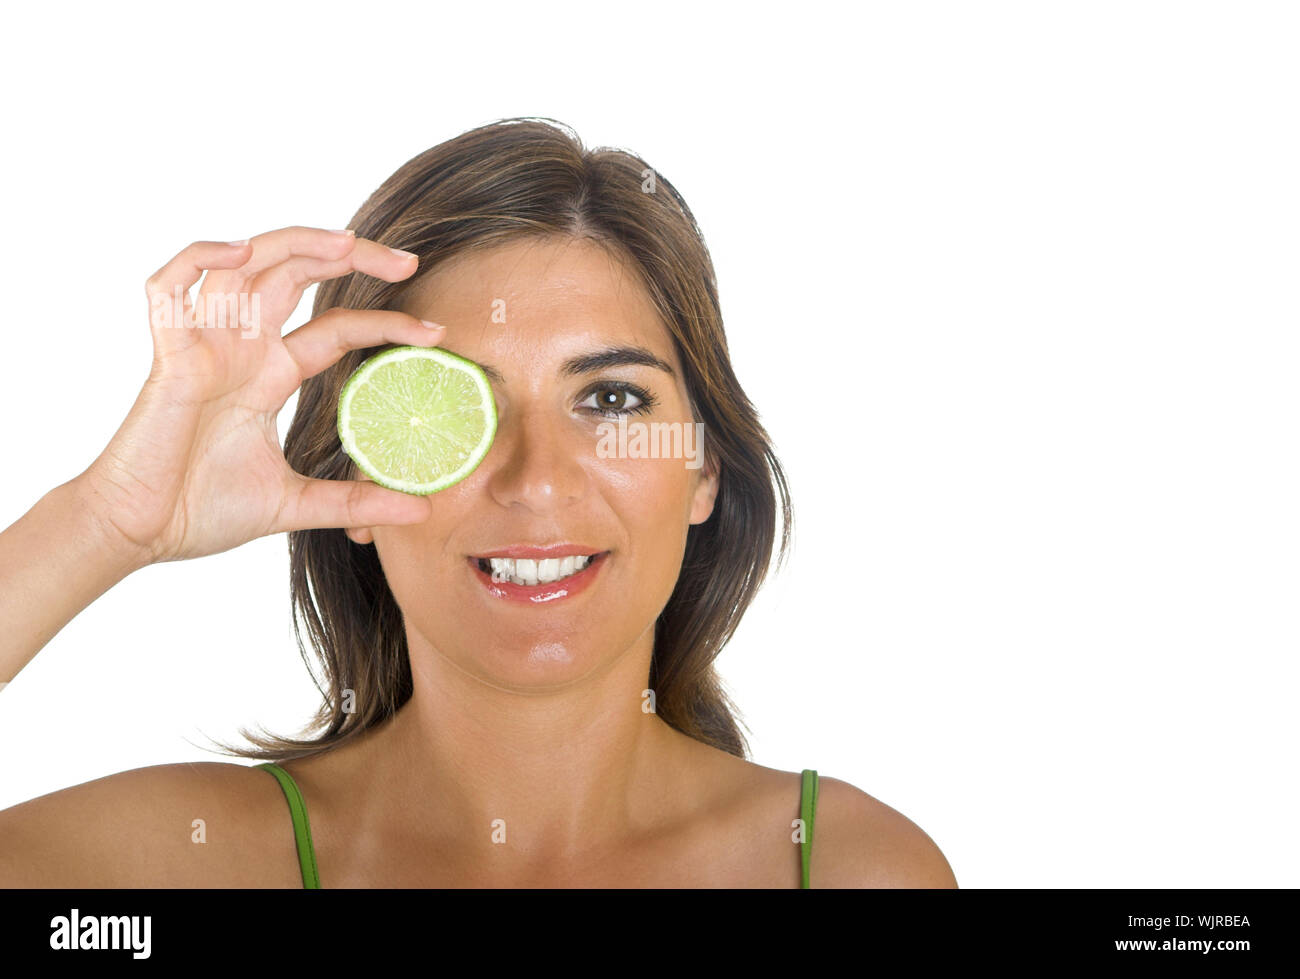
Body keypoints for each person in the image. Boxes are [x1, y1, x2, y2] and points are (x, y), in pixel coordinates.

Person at [0, 118, 956, 888]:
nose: (536, 477)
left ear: (703, 470)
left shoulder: (847, 869)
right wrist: (108, 519)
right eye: (455, 403)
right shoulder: (183, 865)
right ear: (353, 487)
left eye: (611, 398)